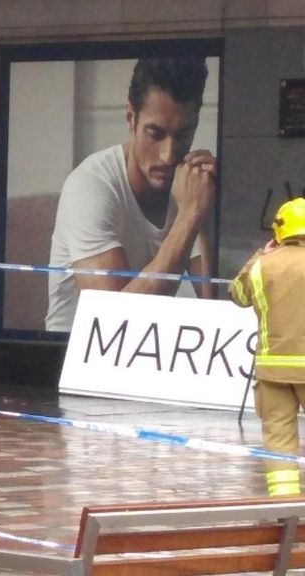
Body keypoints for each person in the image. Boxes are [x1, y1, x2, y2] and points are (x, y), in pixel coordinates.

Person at [45, 57, 217, 332]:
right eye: (155, 133)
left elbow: (213, 311)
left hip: (148, 358)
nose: (169, 154)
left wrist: (203, 216)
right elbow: (113, 323)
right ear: (130, 118)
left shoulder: (189, 187)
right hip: (69, 361)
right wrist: (189, 217)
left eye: (184, 134)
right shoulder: (90, 186)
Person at [229, 198, 305, 497]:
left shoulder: (263, 266)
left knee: (279, 441)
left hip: (273, 371)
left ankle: (286, 512)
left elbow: (237, 294)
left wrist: (261, 255)